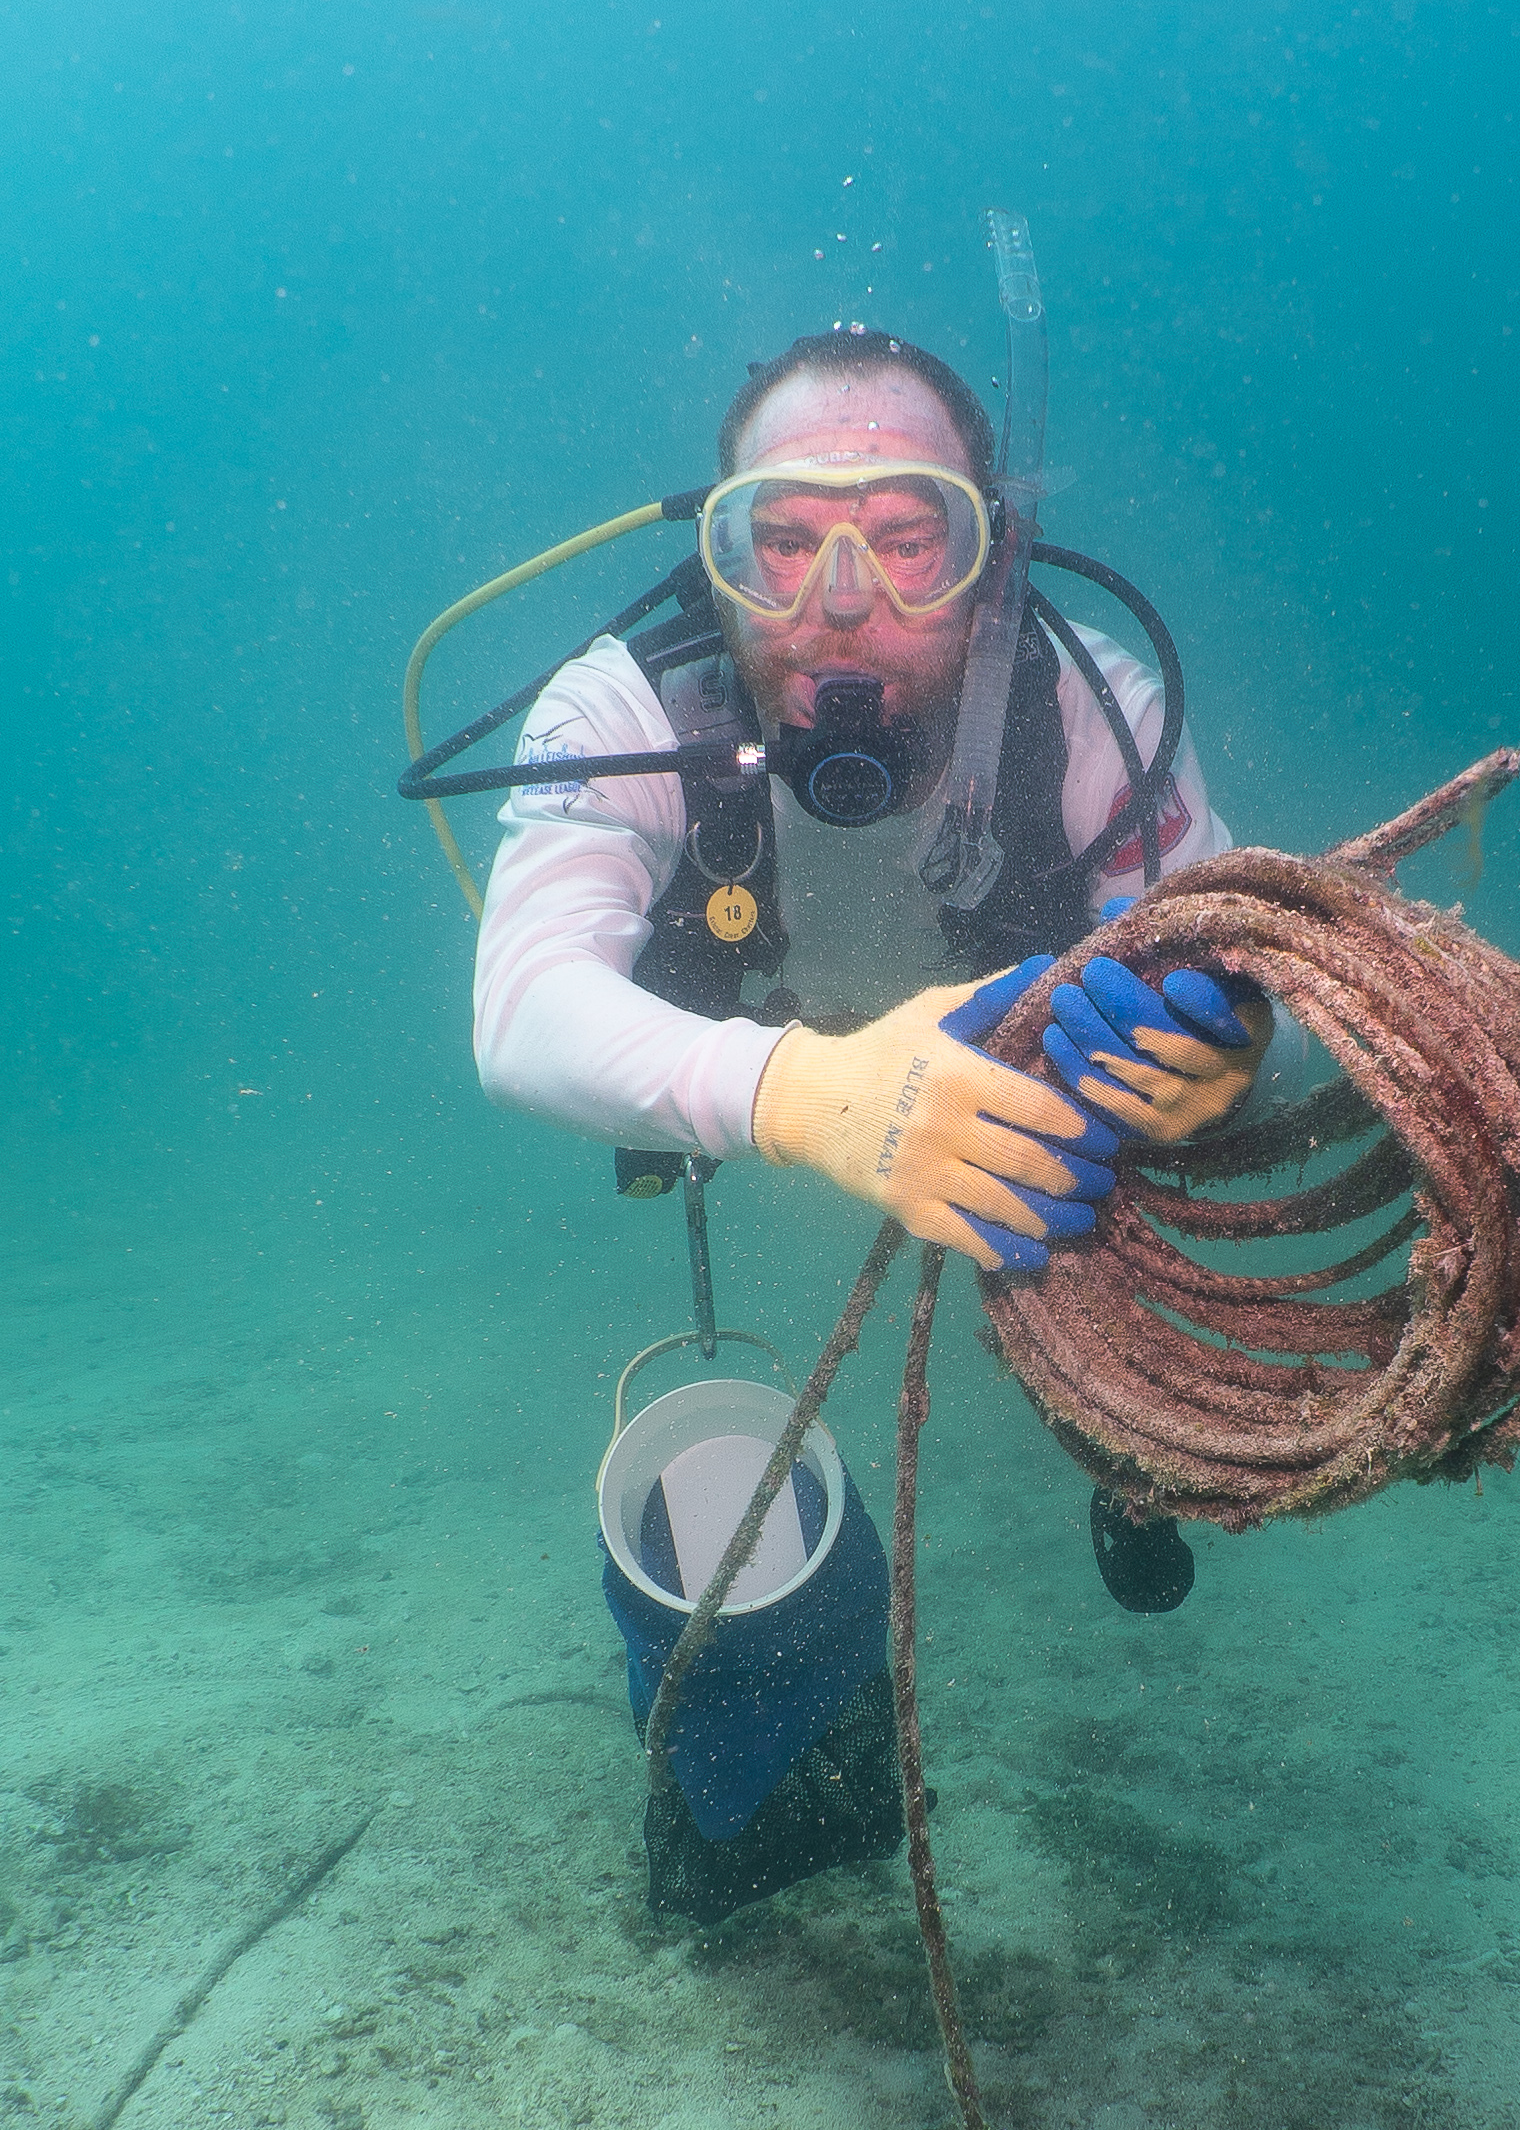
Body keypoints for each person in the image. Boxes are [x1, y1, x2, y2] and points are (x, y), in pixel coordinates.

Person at [471, 324, 1317, 1605]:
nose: (845, 602)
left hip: (1006, 1095)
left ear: (990, 557)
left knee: (1124, 1167)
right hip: (757, 1055)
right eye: (789, 540)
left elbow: (1282, 986)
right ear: (722, 549)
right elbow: (523, 1009)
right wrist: (800, 1097)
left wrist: (1243, 1055)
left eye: (910, 541)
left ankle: (1124, 1455)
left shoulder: (1090, 707)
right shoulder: (625, 711)